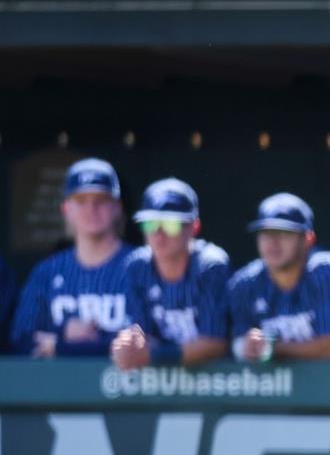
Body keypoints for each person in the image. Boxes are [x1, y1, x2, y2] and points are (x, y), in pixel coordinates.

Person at [9, 157, 139, 358]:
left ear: (118, 207)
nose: (91, 209)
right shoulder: (47, 271)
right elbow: (20, 341)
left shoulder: (141, 266)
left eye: (101, 200)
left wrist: (62, 345)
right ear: (65, 209)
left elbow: (153, 342)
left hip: (130, 386)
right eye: (80, 200)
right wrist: (64, 333)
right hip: (59, 387)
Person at [110, 178, 229, 371]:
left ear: (194, 227)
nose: (158, 233)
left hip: (220, 382)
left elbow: (215, 343)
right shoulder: (136, 266)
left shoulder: (210, 266)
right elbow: (140, 332)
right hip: (161, 383)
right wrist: (129, 344)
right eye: (150, 224)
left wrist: (153, 355)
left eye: (170, 224)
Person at [225, 193, 330, 364]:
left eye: (284, 233)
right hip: (271, 387)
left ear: (308, 239)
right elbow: (236, 346)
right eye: (266, 233)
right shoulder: (244, 283)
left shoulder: (323, 270)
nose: (273, 243)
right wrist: (246, 347)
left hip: (329, 387)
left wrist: (274, 347)